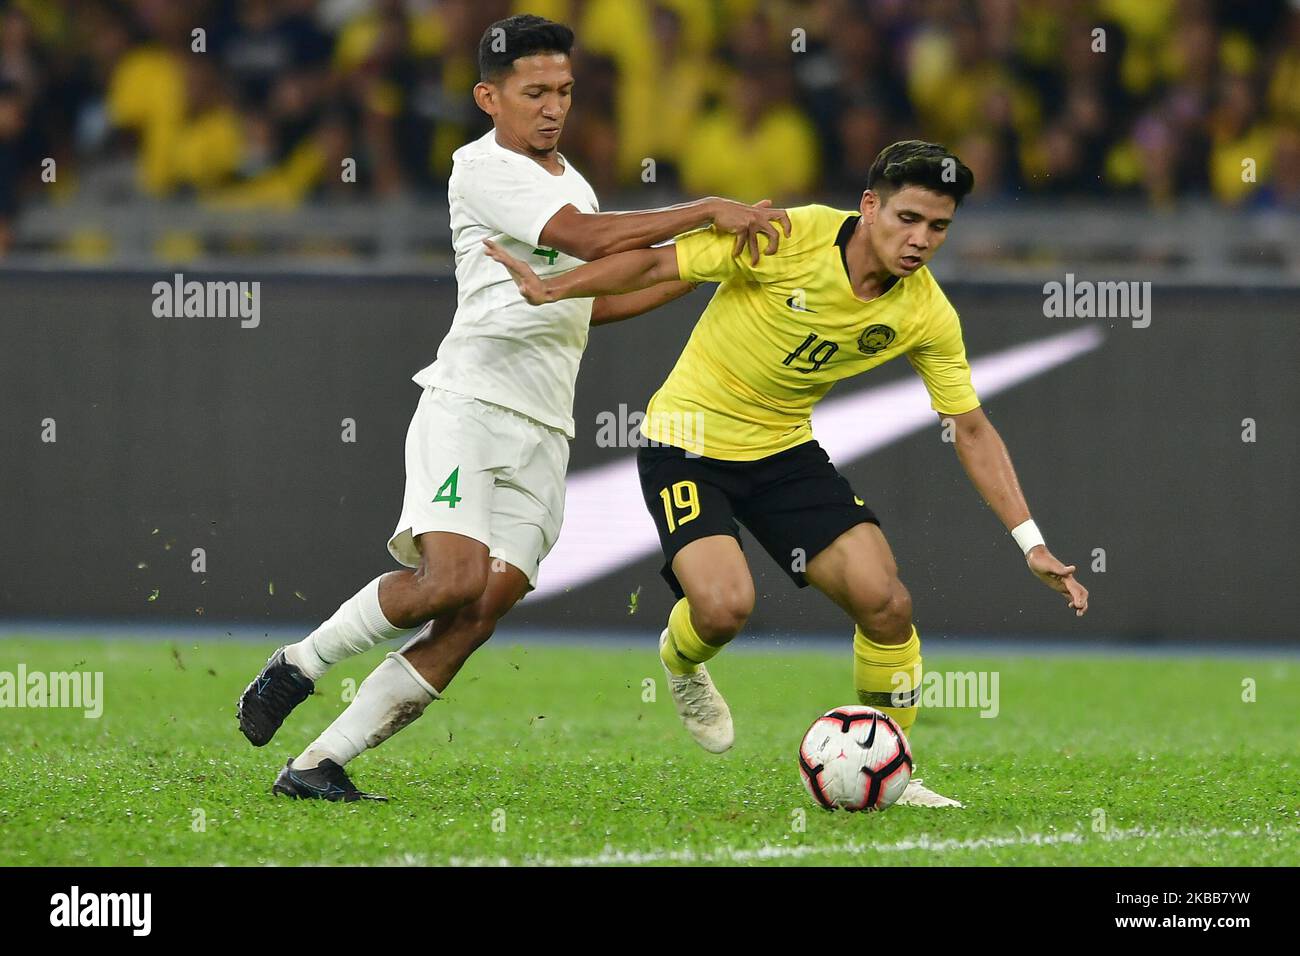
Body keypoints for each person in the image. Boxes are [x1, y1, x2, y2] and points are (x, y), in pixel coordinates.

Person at [235, 14, 790, 801]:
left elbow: (594, 299)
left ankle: (320, 763)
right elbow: (592, 242)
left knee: (479, 611)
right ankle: (300, 662)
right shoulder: (482, 169)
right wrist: (707, 210)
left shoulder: (574, 182)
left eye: (564, 90)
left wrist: (713, 267)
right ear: (488, 97)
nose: (553, 106)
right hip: (470, 404)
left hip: (545, 430)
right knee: (450, 581)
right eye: (535, 92)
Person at [484, 140, 1090, 808]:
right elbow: (657, 264)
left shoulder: (925, 313)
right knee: (722, 608)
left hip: (783, 453)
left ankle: (893, 767)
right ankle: (682, 662)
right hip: (685, 440)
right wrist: (555, 287)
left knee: (886, 602)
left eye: (938, 227)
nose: (921, 240)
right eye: (908, 219)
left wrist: (1030, 542)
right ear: (869, 206)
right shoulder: (788, 236)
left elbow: (970, 427)